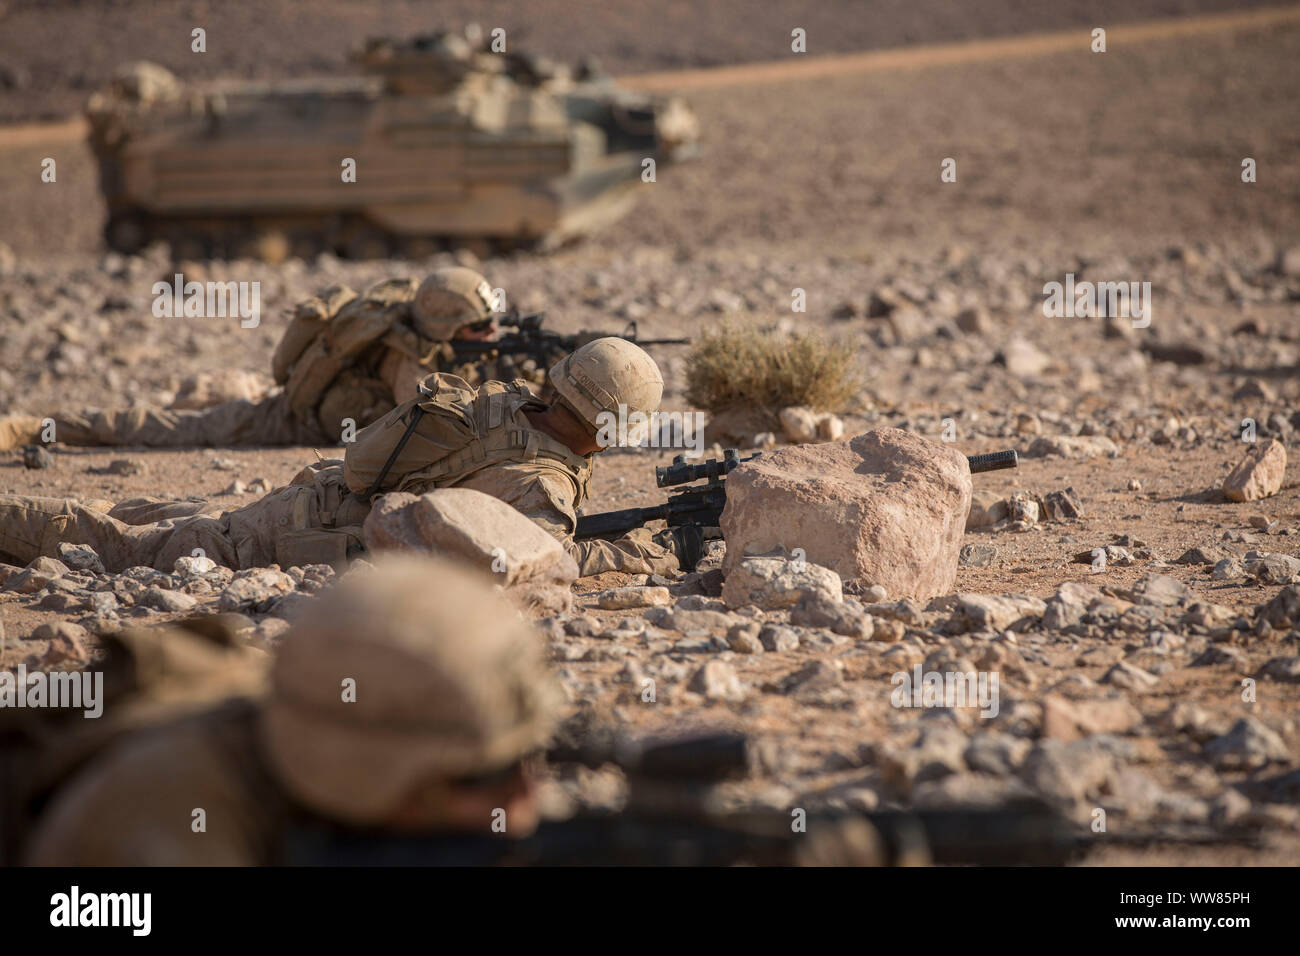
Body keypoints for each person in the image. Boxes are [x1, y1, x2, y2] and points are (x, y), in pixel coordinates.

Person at [24, 555, 562, 865]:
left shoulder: (324, 727)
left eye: (529, 759)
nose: (525, 801)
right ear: (363, 771)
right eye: (484, 777)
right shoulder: (163, 818)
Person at [0, 338, 693, 576]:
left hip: (318, 495)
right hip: (307, 533)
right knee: (129, 548)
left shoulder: (507, 403)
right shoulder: (541, 486)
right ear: (613, 429)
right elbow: (544, 564)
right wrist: (657, 551)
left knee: (167, 514)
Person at [0, 267, 522, 450]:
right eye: (479, 326)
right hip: (288, 420)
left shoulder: (418, 330)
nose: (489, 333)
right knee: (174, 429)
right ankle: (39, 428)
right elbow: (445, 426)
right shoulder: (409, 362)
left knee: (218, 394)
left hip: (292, 396)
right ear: (445, 326)